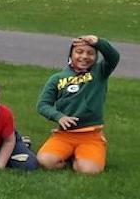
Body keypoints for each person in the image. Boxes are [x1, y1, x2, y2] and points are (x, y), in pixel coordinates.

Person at [36, 34, 119, 175]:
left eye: (90, 53)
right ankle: (70, 156)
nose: (84, 56)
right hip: (64, 135)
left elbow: (114, 57)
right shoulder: (57, 78)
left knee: (89, 171)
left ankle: (81, 158)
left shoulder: (100, 72)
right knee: (44, 161)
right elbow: (43, 105)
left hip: (91, 136)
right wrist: (59, 117)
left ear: (96, 57)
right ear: (71, 55)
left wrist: (98, 42)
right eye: (79, 52)